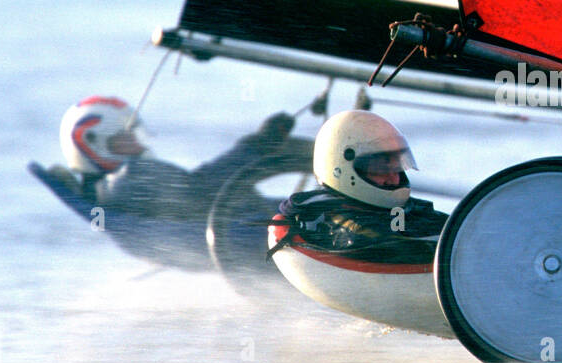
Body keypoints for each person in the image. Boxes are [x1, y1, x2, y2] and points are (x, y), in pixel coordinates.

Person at [40, 96, 297, 269]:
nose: (138, 144)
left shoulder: (107, 192)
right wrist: (260, 143)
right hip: (254, 234)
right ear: (94, 144)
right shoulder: (129, 178)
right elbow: (199, 188)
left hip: (238, 229)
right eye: (125, 137)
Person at [270, 110, 447, 265]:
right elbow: (393, 246)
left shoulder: (402, 212)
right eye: (381, 169)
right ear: (341, 169)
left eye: (397, 167)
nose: (393, 178)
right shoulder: (344, 224)